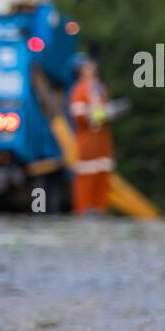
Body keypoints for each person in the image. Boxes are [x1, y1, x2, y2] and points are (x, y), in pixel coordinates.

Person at [67, 56, 115, 215]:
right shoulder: (80, 89)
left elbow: (104, 107)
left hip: (101, 138)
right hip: (87, 138)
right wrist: (93, 115)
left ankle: (99, 207)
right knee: (86, 173)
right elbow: (77, 112)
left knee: (102, 172)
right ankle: (83, 208)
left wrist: (108, 112)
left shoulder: (99, 88)